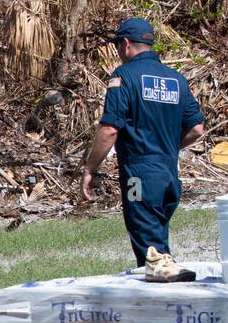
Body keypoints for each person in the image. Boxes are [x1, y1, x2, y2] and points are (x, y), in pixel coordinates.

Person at [80, 18, 205, 281]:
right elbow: (196, 129)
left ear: (125, 44)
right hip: (170, 175)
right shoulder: (176, 80)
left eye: (117, 45)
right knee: (159, 245)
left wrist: (90, 168)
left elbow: (109, 129)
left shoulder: (123, 77)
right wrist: (170, 147)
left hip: (140, 173)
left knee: (154, 259)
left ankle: (159, 310)